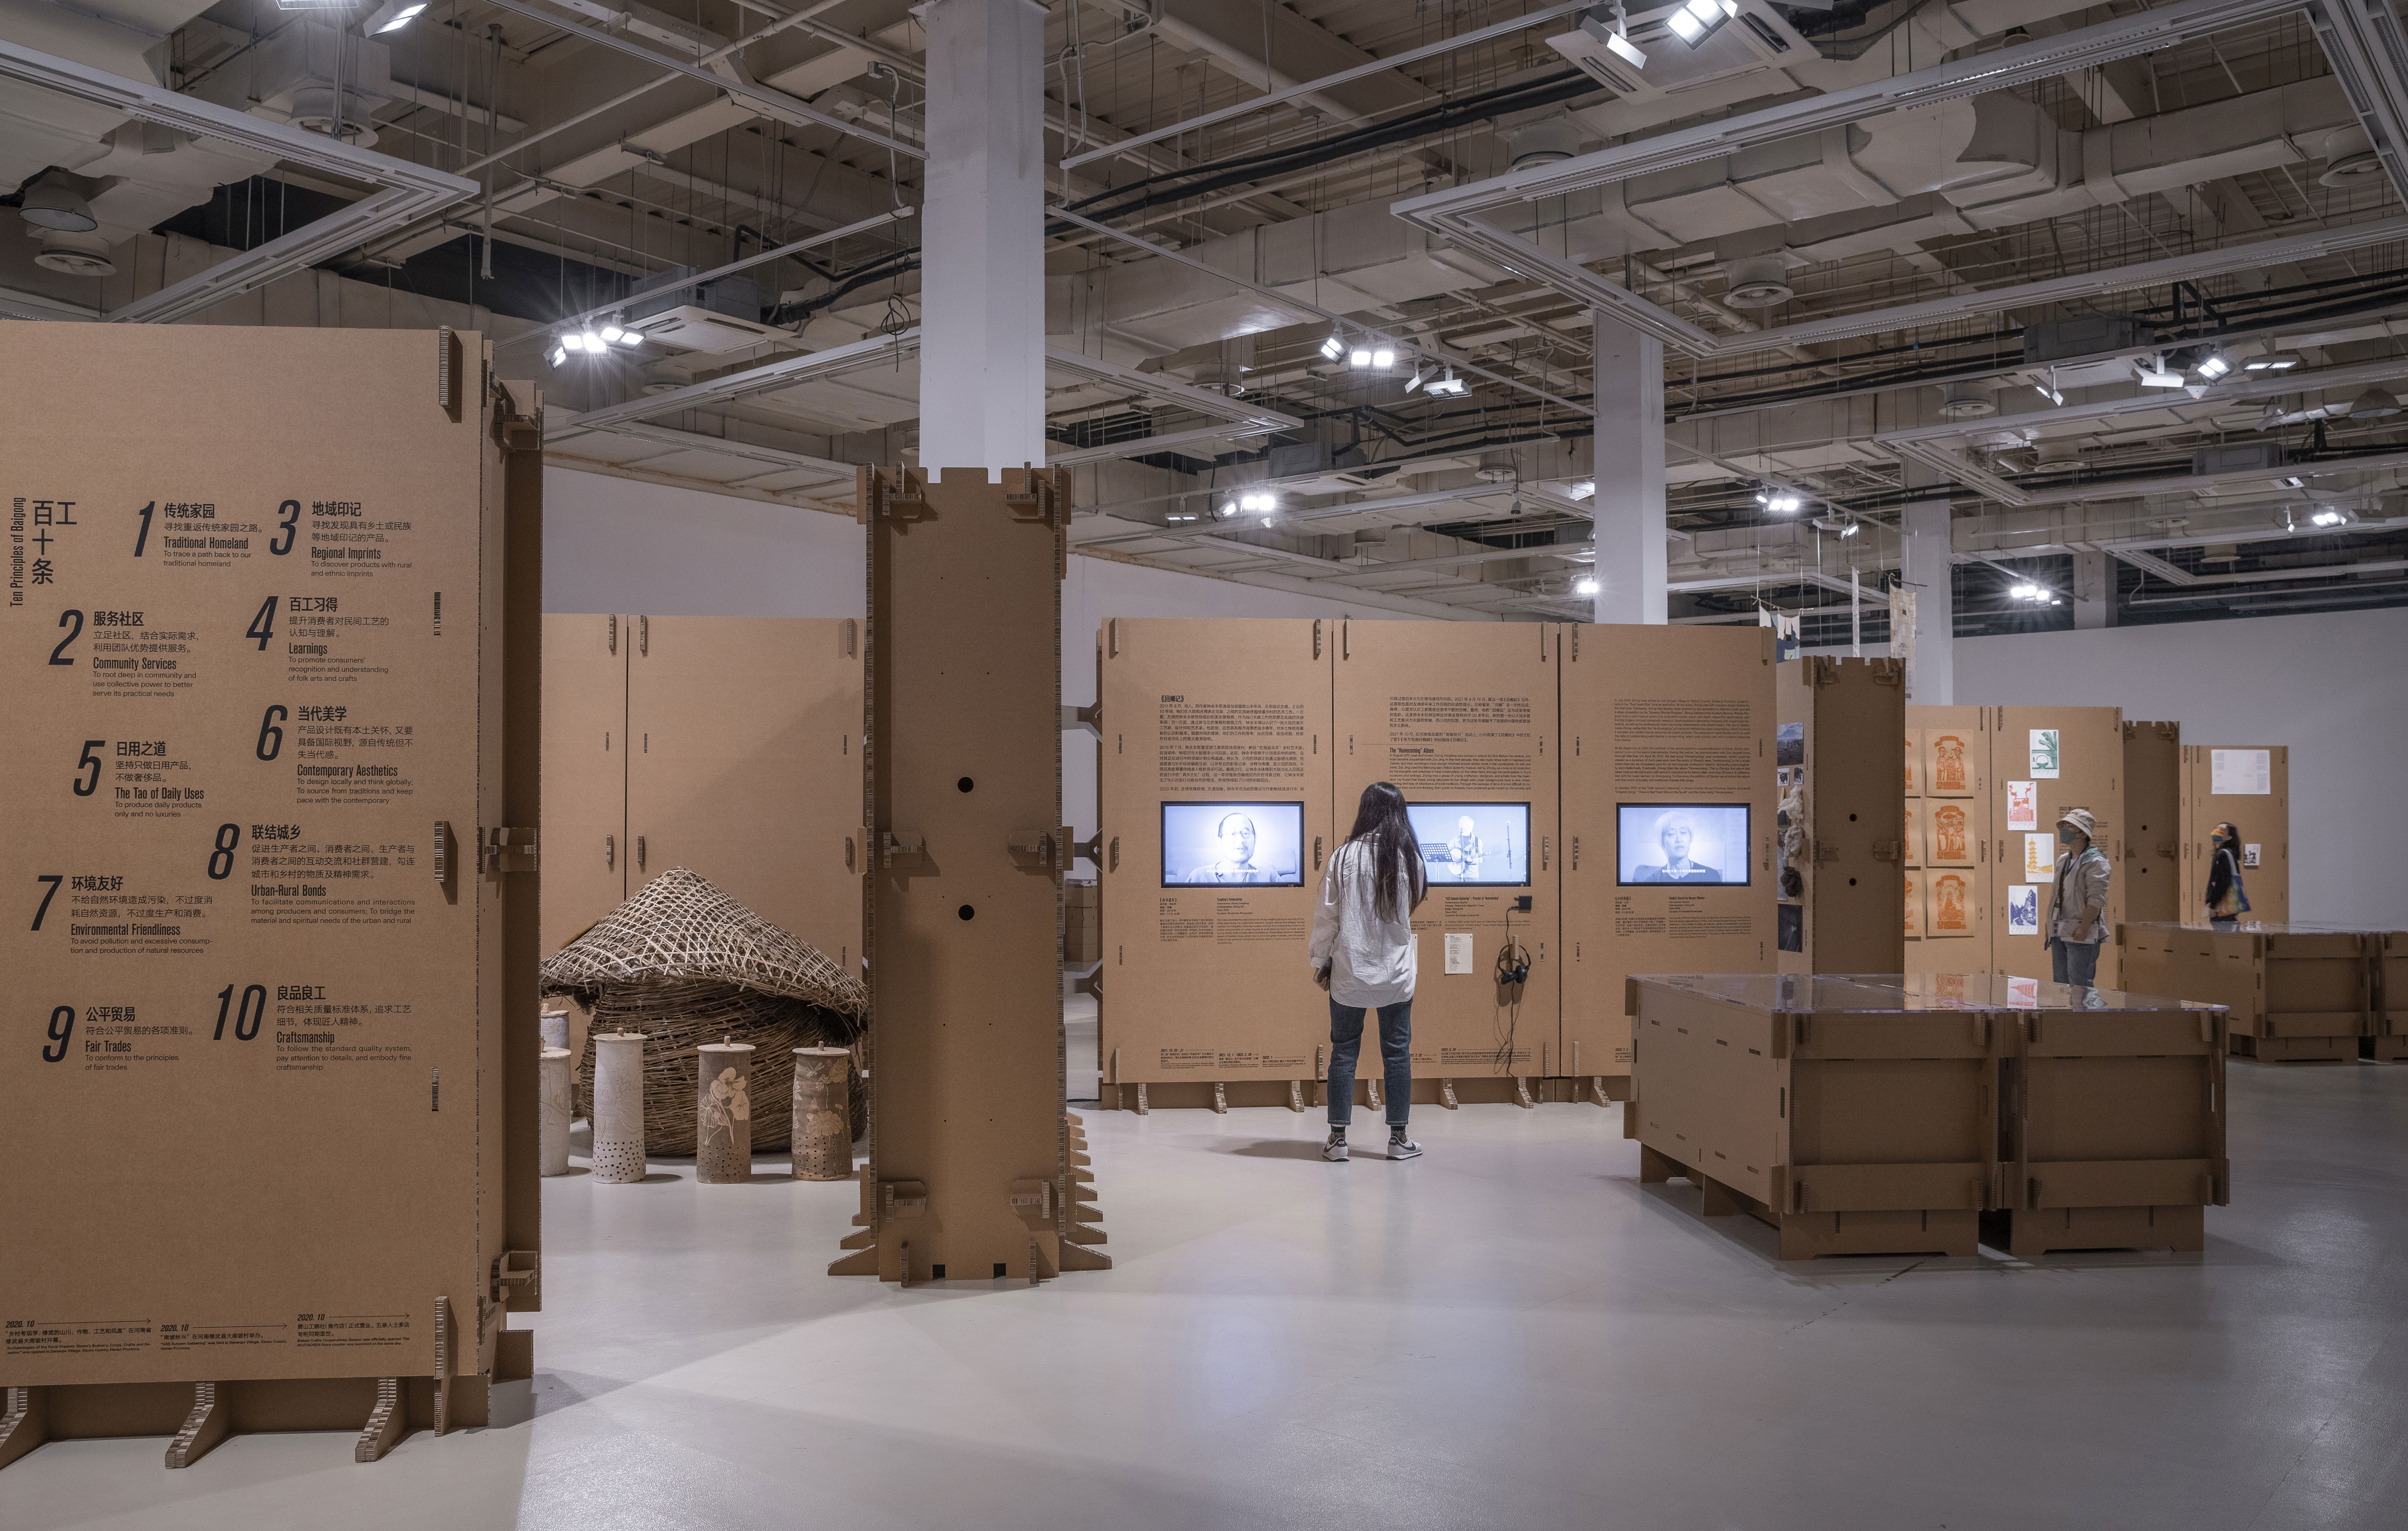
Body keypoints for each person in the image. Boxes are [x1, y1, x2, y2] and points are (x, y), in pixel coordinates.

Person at [1308, 782, 1426, 1162]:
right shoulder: (1410, 857)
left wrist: (1320, 960)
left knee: (1344, 1052)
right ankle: (1398, 1139)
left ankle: (1338, 1140)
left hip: (1350, 971)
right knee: (1397, 1054)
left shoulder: (1344, 856)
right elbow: (1415, 903)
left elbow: (1327, 916)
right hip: (1396, 974)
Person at [2045, 807, 2112, 988]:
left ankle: (2087, 1016)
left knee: (2080, 983)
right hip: (2060, 929)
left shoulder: (2097, 862)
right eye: (2064, 825)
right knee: (2061, 984)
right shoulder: (2063, 860)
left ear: (2083, 834)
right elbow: (2056, 896)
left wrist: (2084, 926)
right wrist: (2049, 924)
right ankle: (2066, 1017)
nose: (2064, 829)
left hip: (2081, 930)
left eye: (2070, 825)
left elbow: (2096, 900)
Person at [1183, 810, 1283, 884]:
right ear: (1220, 842)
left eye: (1246, 833)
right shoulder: (1199, 876)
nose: (1241, 840)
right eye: (1232, 834)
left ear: (1255, 840)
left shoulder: (1270, 876)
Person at [1635, 809, 1722, 882]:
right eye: (1671, 834)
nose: (1679, 840)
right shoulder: (1652, 882)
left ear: (1690, 837)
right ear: (1661, 841)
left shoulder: (1711, 876)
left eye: (1683, 833)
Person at [2203, 821, 2250, 929]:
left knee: (2224, 938)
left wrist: (2213, 905)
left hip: (2222, 906)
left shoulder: (2223, 854)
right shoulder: (2228, 853)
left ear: (2229, 837)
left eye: (2222, 830)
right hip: (2227, 906)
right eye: (2217, 829)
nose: (2217, 831)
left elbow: (2222, 882)